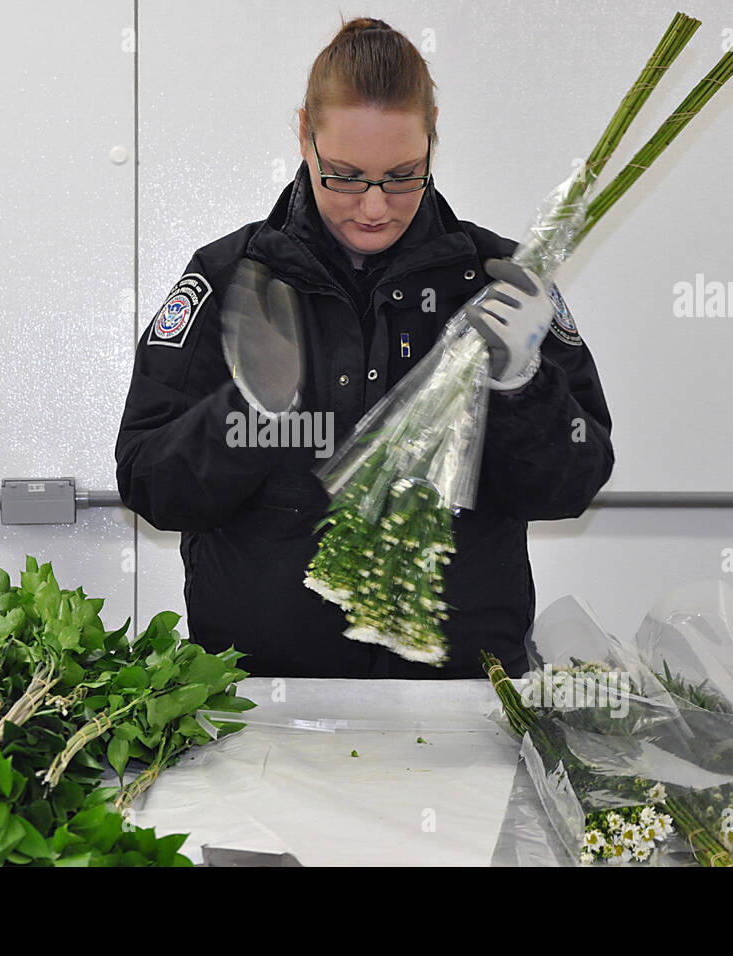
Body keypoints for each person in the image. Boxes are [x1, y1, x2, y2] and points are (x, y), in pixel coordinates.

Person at [115, 17, 613, 679]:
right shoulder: (233, 279)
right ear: (304, 135)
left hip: (460, 710)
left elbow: (571, 485)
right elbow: (150, 483)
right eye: (345, 176)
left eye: (403, 175)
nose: (374, 207)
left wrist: (524, 381)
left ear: (433, 130)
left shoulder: (498, 282)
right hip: (261, 709)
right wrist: (250, 409)